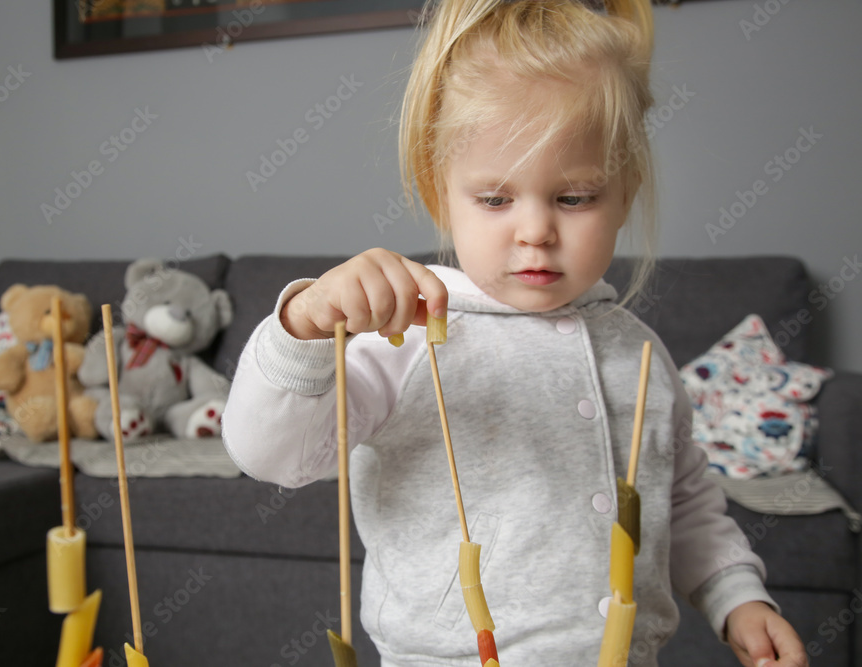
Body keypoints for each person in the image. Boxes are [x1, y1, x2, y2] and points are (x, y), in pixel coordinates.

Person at [223, 1, 808, 664]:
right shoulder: (406, 343)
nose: (534, 230)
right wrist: (304, 325)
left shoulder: (640, 353)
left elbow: (683, 496)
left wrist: (737, 595)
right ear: (438, 188)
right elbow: (266, 452)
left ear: (625, 192)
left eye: (575, 196)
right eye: (496, 199)